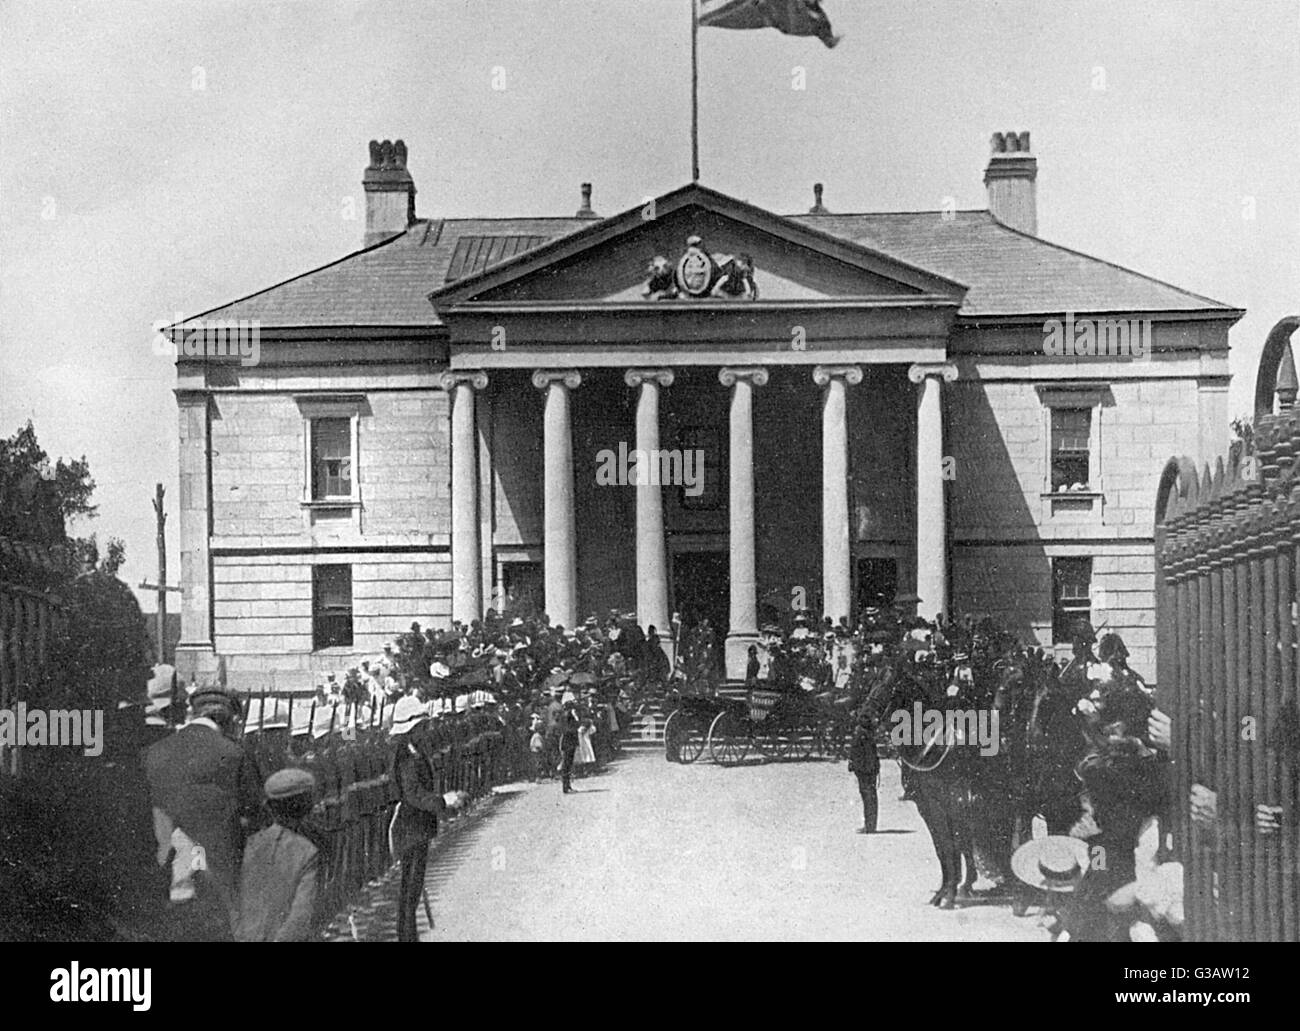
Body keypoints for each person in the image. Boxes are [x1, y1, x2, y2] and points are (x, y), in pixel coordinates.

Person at [143, 686, 263, 941]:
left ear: (193, 713)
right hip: (217, 880)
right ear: (230, 720)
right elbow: (256, 819)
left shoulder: (153, 753)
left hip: (164, 875)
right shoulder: (234, 754)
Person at [234, 768, 323, 942]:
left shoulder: (249, 844)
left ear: (269, 807)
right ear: (307, 807)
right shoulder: (307, 851)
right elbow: (300, 917)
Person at [388, 695, 444, 942]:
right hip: (412, 826)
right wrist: (441, 802)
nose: (426, 730)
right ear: (412, 728)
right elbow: (413, 793)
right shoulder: (408, 755)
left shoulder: (412, 750)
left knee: (412, 889)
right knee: (410, 890)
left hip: (416, 825)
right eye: (422, 726)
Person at [847, 708, 880, 833]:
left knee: (867, 796)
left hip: (864, 769)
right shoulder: (869, 733)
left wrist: (853, 763)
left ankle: (869, 826)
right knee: (871, 796)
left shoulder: (860, 732)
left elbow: (856, 751)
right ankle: (871, 824)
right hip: (870, 768)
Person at [558, 701, 580, 794]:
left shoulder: (564, 715)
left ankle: (567, 786)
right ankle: (566, 786)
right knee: (567, 764)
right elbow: (569, 729)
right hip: (569, 742)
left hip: (567, 742)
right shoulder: (568, 716)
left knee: (567, 765)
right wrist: (576, 719)